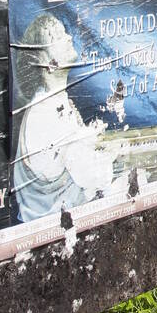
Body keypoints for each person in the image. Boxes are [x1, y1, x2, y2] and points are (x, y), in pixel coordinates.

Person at [12, 14, 114, 223]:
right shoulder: (46, 113)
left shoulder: (53, 102)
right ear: (47, 63)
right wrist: (115, 154)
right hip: (52, 235)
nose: (68, 37)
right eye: (57, 35)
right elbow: (95, 177)